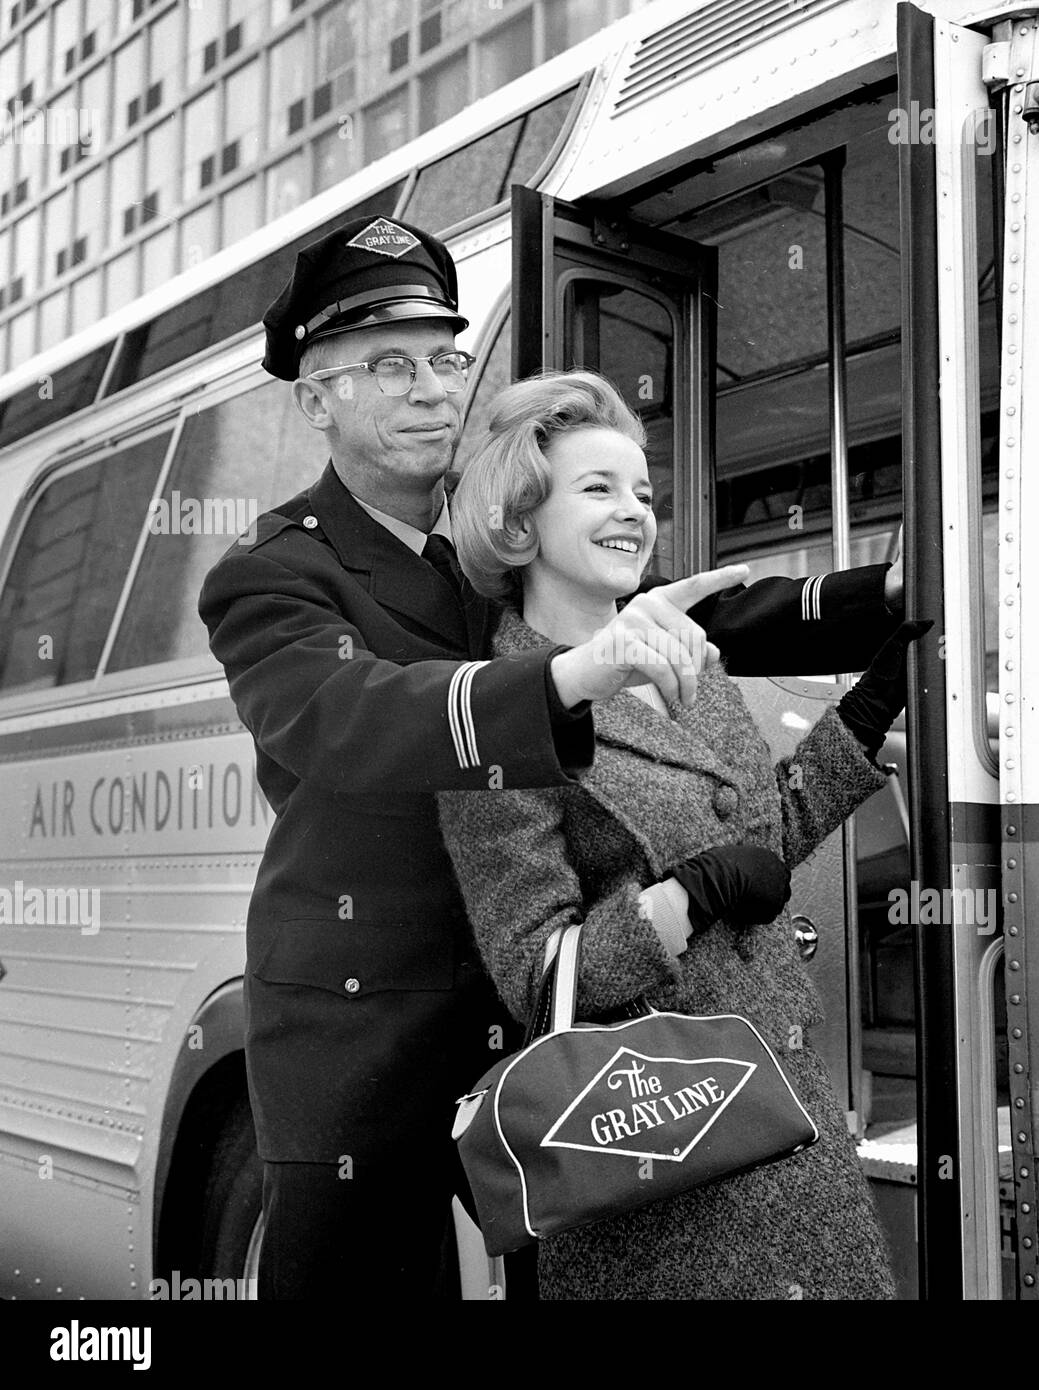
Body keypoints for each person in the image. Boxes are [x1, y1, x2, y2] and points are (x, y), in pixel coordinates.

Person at [198, 214, 908, 1299]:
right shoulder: (272, 572)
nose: (432, 386)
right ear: (315, 398)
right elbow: (354, 714)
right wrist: (577, 679)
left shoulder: (488, 526)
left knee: (581, 1260)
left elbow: (641, 606)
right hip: (372, 1018)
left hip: (539, 998)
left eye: (445, 357)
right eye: (388, 365)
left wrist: (881, 603)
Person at [439, 370, 929, 1299]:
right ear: (518, 519)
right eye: (599, 490)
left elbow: (762, 840)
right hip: (659, 1173)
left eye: (644, 494)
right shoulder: (495, 713)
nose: (633, 513)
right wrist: (687, 897)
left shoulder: (685, 663)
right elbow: (545, 986)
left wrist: (870, 706)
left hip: (788, 1136)